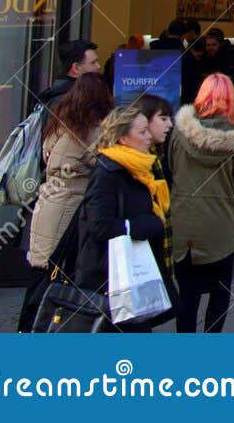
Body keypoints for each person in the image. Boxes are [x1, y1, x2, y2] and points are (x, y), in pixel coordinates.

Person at [18, 73, 113, 331]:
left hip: (46, 205)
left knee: (40, 277)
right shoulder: (92, 131)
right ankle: (42, 331)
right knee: (56, 280)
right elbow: (107, 161)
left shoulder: (59, 124)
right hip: (67, 211)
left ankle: (27, 331)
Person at [73, 104, 176, 331]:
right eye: (142, 132)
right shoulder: (108, 172)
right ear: (123, 138)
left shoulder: (138, 169)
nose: (149, 136)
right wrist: (142, 225)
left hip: (134, 277)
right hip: (110, 280)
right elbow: (100, 225)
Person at [168, 73, 234, 333]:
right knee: (219, 292)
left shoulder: (179, 132)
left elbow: (171, 168)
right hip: (220, 224)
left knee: (187, 293)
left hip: (184, 220)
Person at [35, 38, 100, 107]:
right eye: (93, 62)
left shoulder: (53, 94)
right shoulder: (72, 99)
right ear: (76, 68)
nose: (98, 66)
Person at [137, 93, 175, 186]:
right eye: (163, 119)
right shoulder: (132, 158)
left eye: (169, 119)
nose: (170, 124)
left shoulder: (157, 153)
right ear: (145, 119)